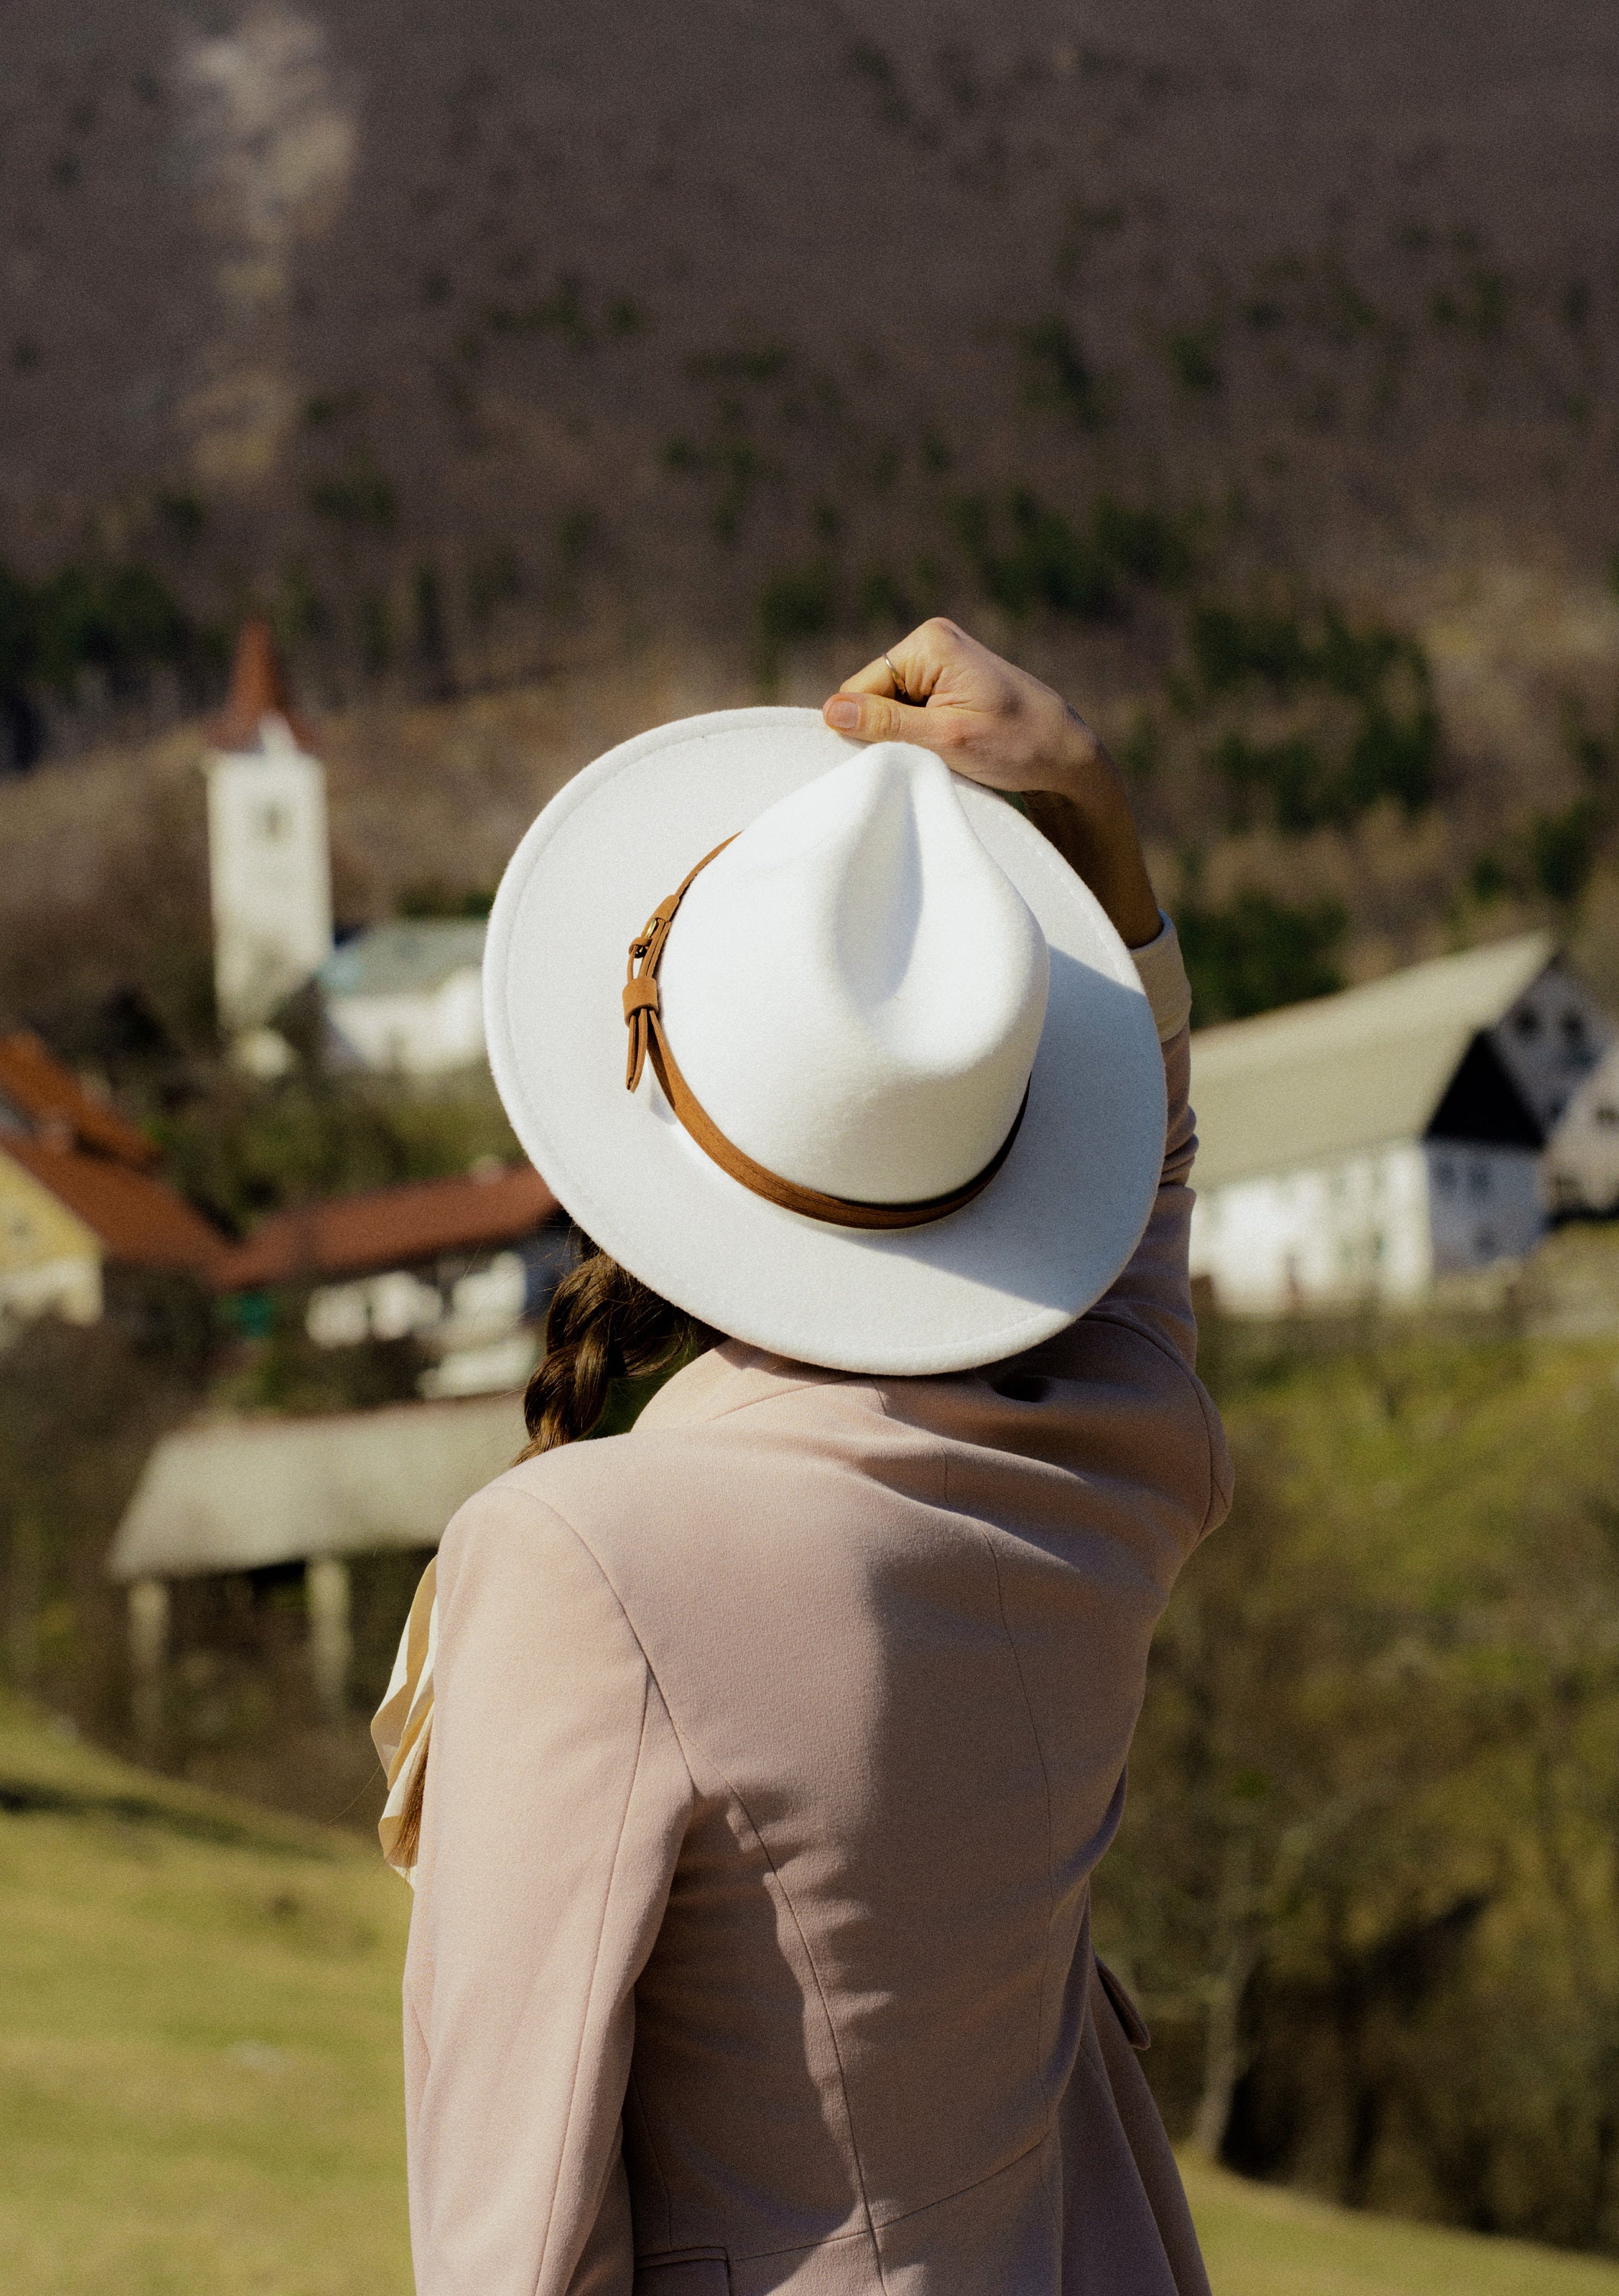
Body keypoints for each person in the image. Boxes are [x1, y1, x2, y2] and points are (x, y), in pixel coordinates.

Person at [374, 619, 1232, 2295]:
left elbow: (514, 2237)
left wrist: (1097, 849)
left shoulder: (584, 1560)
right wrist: (1102, 846)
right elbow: (1154, 1192)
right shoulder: (1115, 1455)